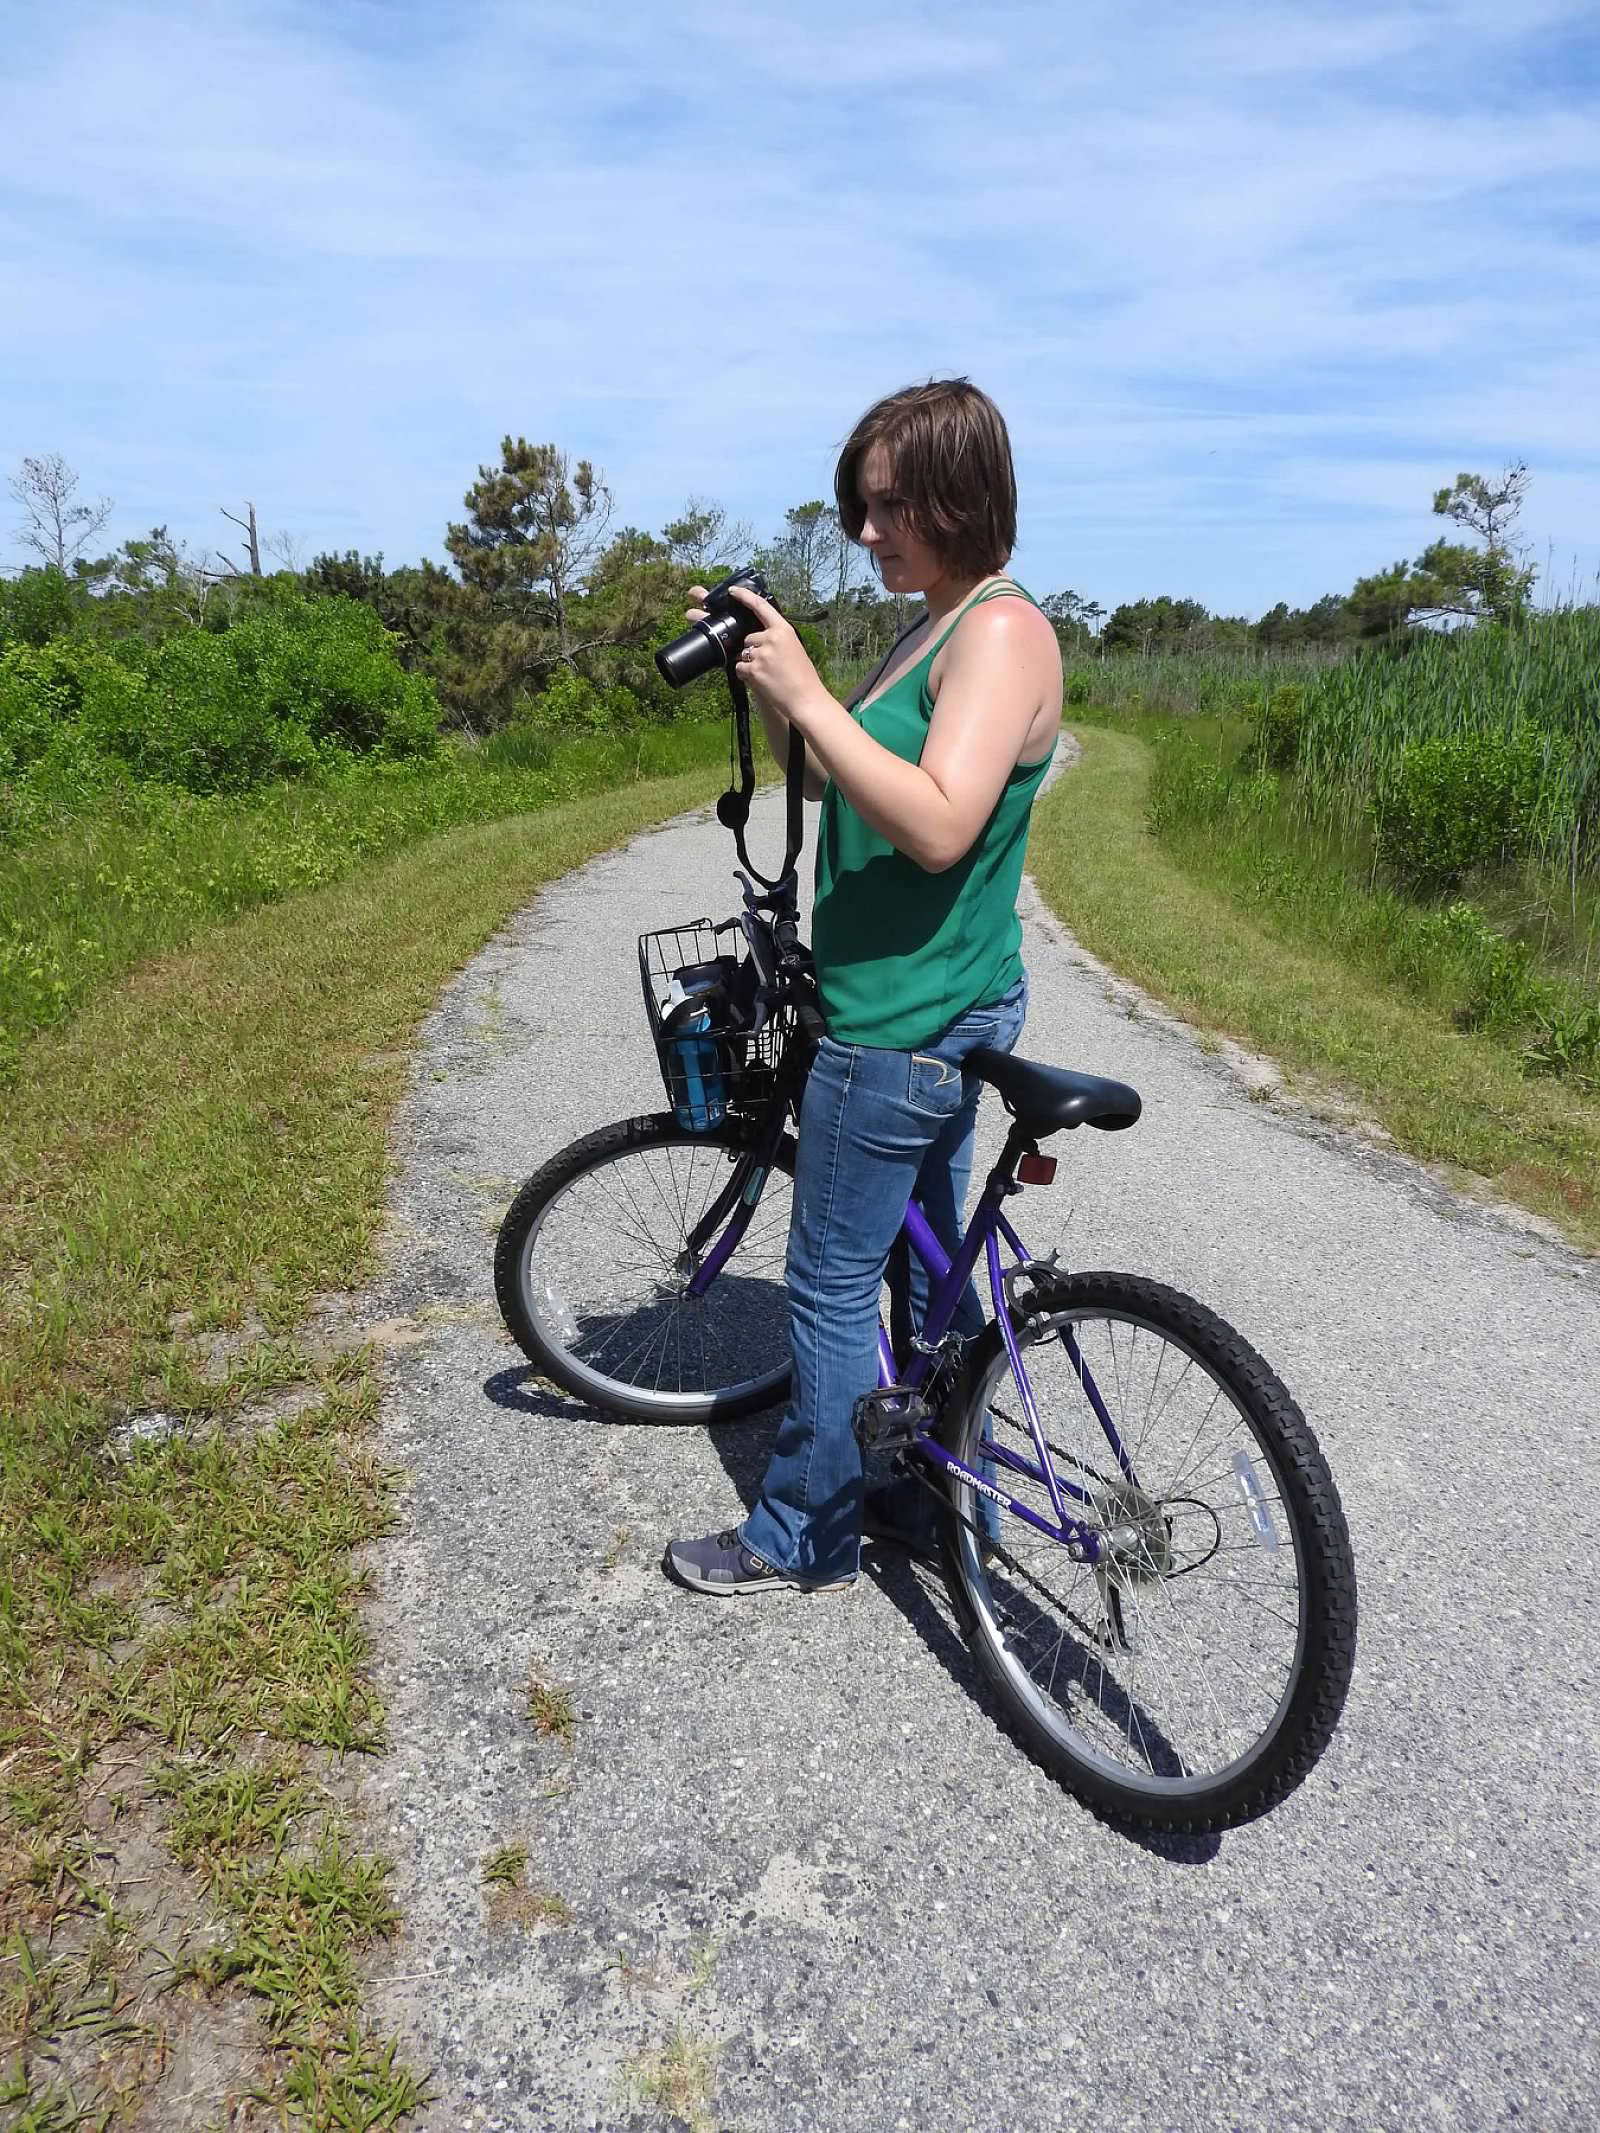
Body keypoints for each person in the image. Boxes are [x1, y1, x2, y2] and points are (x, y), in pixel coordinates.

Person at [665, 377, 1062, 1595]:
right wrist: (775, 692)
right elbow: (843, 782)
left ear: (959, 493)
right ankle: (934, 1482)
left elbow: (939, 827)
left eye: (888, 505)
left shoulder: (997, 630)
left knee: (832, 1288)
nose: (867, 531)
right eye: (859, 507)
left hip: (898, 1026)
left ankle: (800, 1533)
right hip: (937, 1002)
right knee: (931, 1268)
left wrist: (811, 700)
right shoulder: (936, 621)